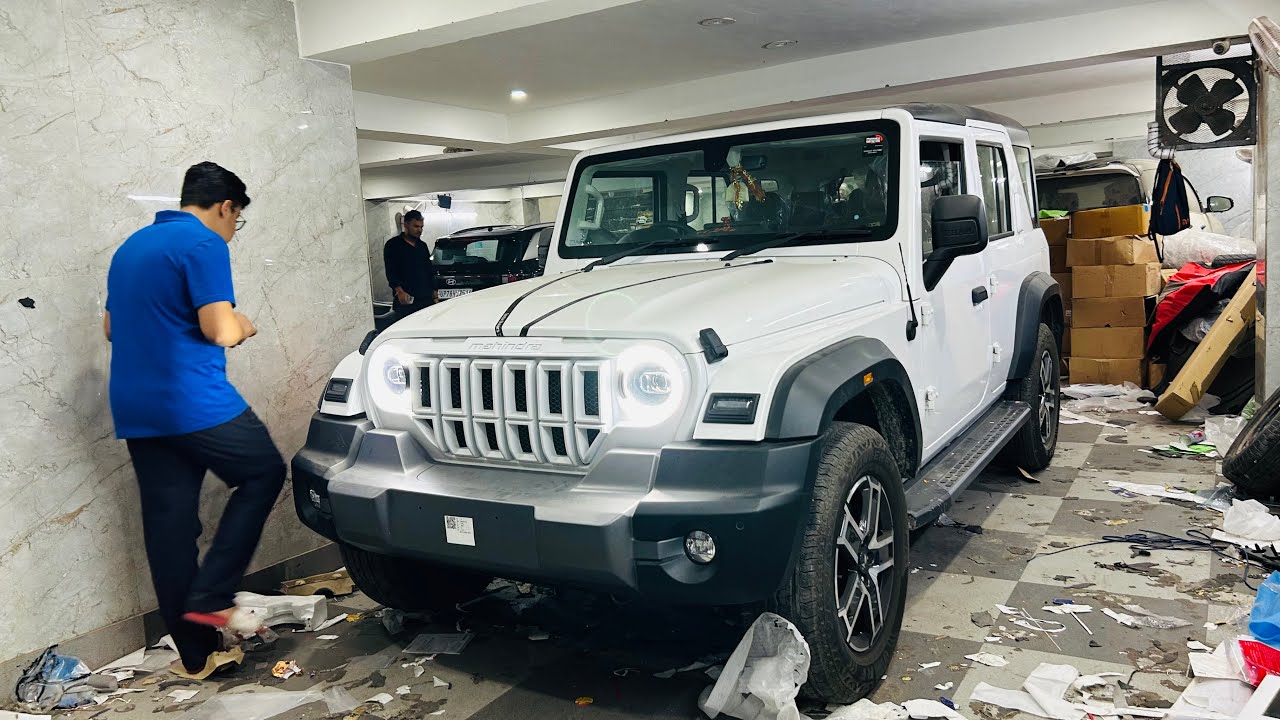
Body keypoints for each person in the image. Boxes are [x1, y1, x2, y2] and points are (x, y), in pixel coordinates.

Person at [104, 162, 285, 679]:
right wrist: (242, 323)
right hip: (192, 400)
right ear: (226, 206)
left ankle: (198, 654)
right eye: (237, 219)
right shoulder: (205, 243)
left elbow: (112, 327)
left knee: (170, 527)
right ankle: (212, 595)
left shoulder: (131, 247)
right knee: (263, 472)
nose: (234, 229)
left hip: (137, 407)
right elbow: (218, 330)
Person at [383, 209, 436, 317]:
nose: (419, 230)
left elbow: (429, 270)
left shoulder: (422, 246)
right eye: (416, 226)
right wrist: (399, 291)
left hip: (425, 299)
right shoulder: (393, 245)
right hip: (406, 300)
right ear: (406, 225)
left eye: (421, 227)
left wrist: (434, 294)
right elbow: (391, 271)